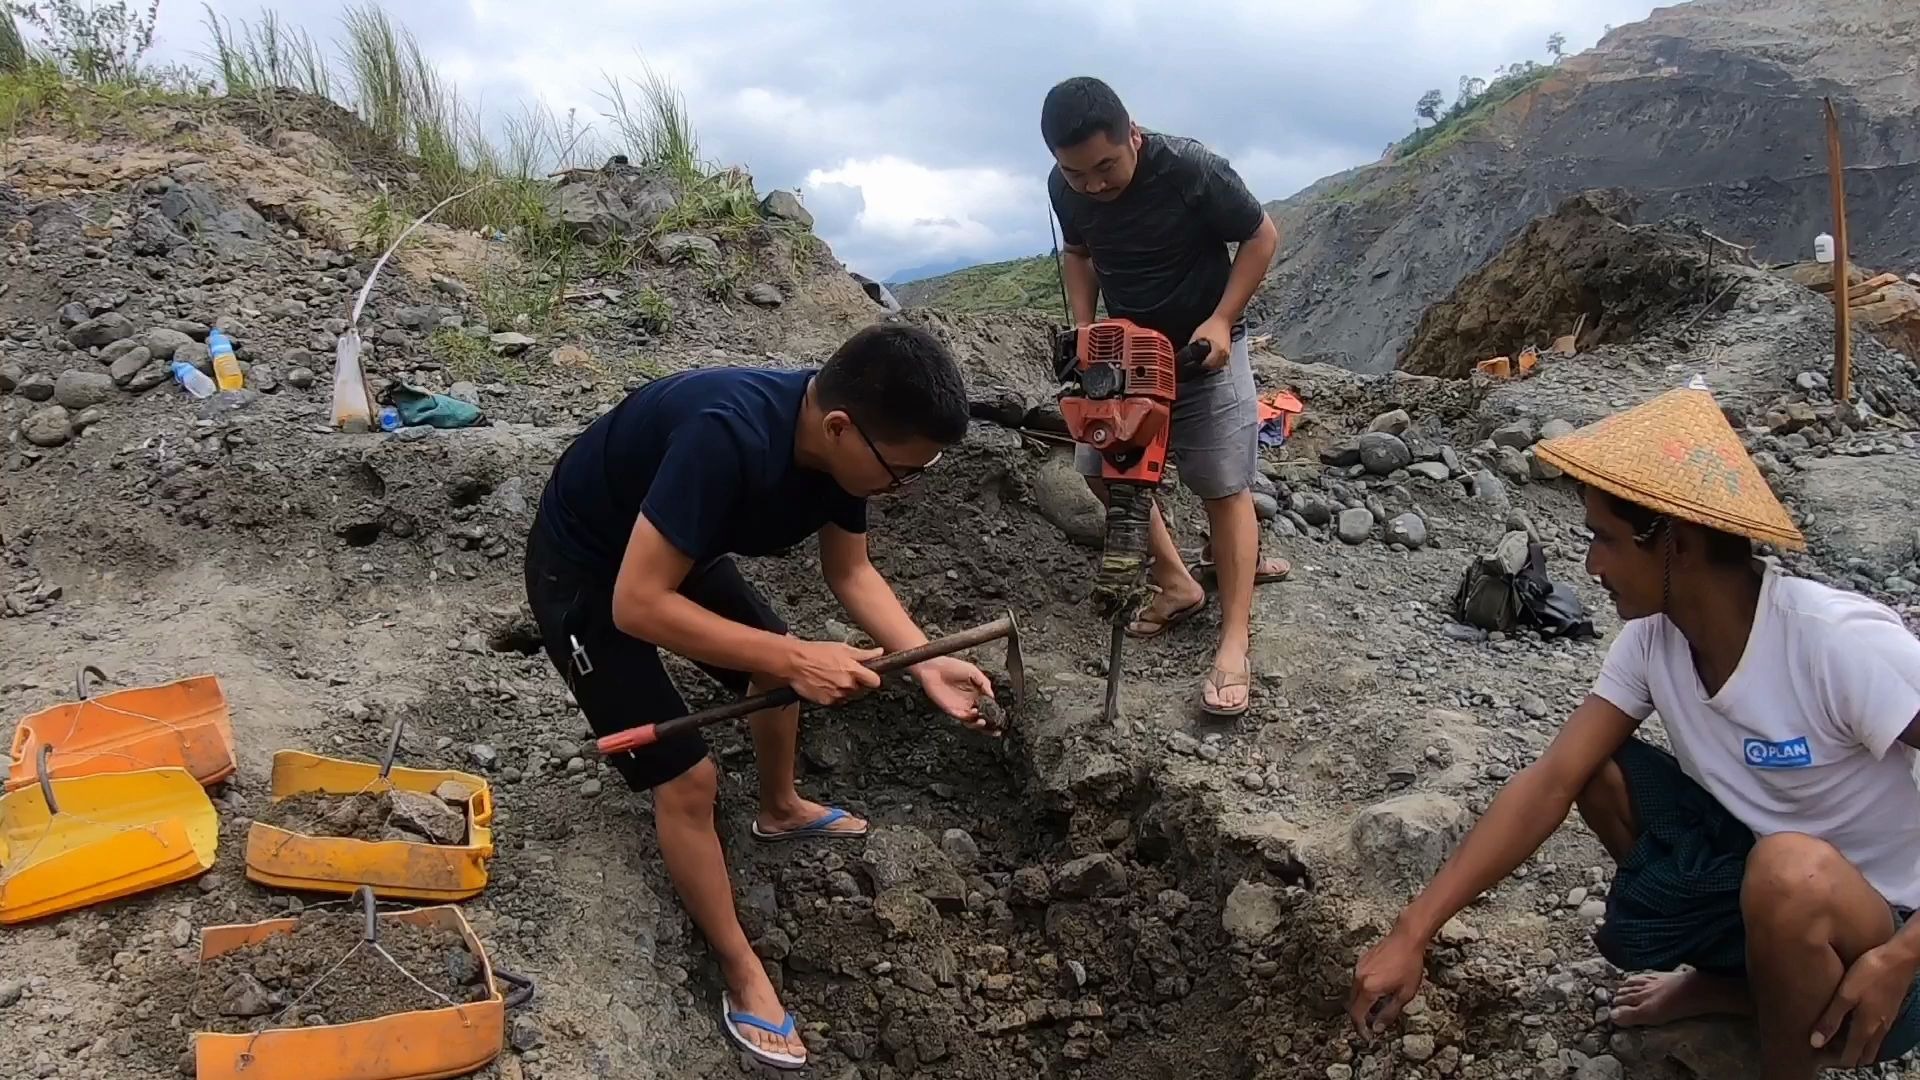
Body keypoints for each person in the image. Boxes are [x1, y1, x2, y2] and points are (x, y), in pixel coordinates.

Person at [1348, 386, 1920, 1079]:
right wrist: (1414, 931)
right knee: (1601, 771)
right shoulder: (1653, 641)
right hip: (1777, 891)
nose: (1591, 565)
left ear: (1675, 543)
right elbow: (1551, 781)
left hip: (1888, 945)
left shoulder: (1835, 645)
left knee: (1787, 873)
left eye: (1605, 539)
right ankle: (1743, 989)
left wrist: (1900, 957)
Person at [524, 324, 999, 1070]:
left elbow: (852, 574)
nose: (900, 487)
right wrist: (792, 655)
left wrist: (923, 664)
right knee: (688, 775)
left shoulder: (845, 450)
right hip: (588, 574)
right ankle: (741, 969)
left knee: (781, 673)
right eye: (899, 473)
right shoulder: (729, 435)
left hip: (678, 552)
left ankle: (779, 809)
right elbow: (637, 606)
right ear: (841, 429)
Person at [1040, 75, 1286, 718]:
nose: (1092, 184)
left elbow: (1261, 235)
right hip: (1129, 358)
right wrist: (1087, 327)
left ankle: (1234, 642)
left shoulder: (1192, 169)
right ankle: (1178, 583)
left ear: (1133, 135)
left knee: (1222, 487)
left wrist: (1224, 319)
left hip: (1203, 352)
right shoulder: (1064, 188)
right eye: (1075, 173)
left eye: (1105, 166)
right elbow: (1079, 252)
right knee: (1102, 468)